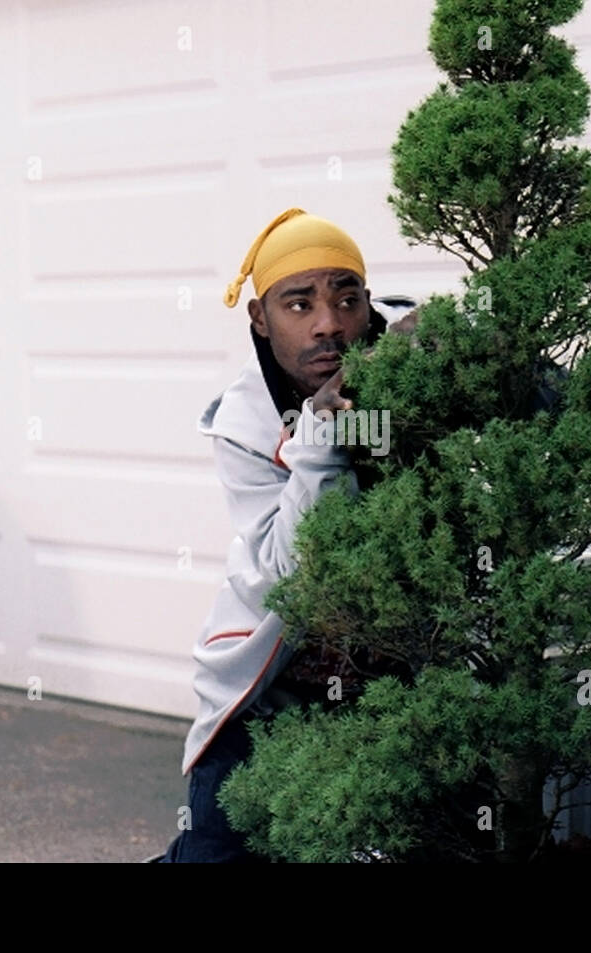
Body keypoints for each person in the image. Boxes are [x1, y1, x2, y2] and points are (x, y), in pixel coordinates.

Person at [154, 207, 417, 863]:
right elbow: (291, 573)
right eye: (298, 304)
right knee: (213, 853)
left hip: (405, 697)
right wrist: (321, 439)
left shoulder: (425, 362)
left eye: (346, 298)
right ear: (260, 320)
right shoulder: (242, 422)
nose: (328, 322)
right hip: (272, 697)